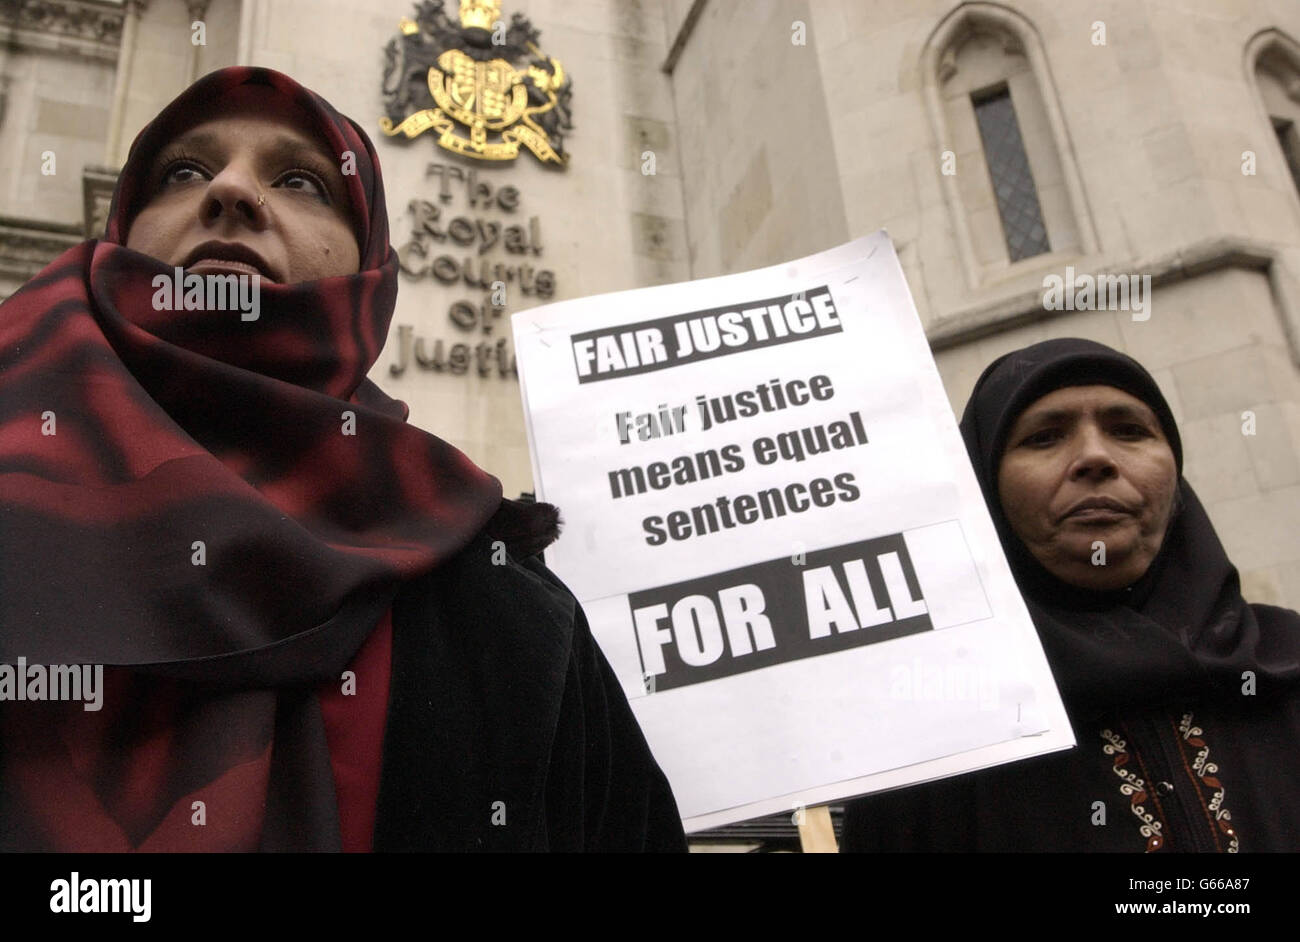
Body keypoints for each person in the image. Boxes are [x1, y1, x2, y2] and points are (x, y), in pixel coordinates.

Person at [0, 66, 686, 852]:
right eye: (183, 171)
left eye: (300, 181)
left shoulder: (501, 607)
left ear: (368, 272)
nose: (230, 190)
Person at [842, 338, 1300, 852]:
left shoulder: (1286, 664)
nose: (1095, 457)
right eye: (1044, 438)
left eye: (1129, 431)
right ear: (983, 486)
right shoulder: (935, 727)